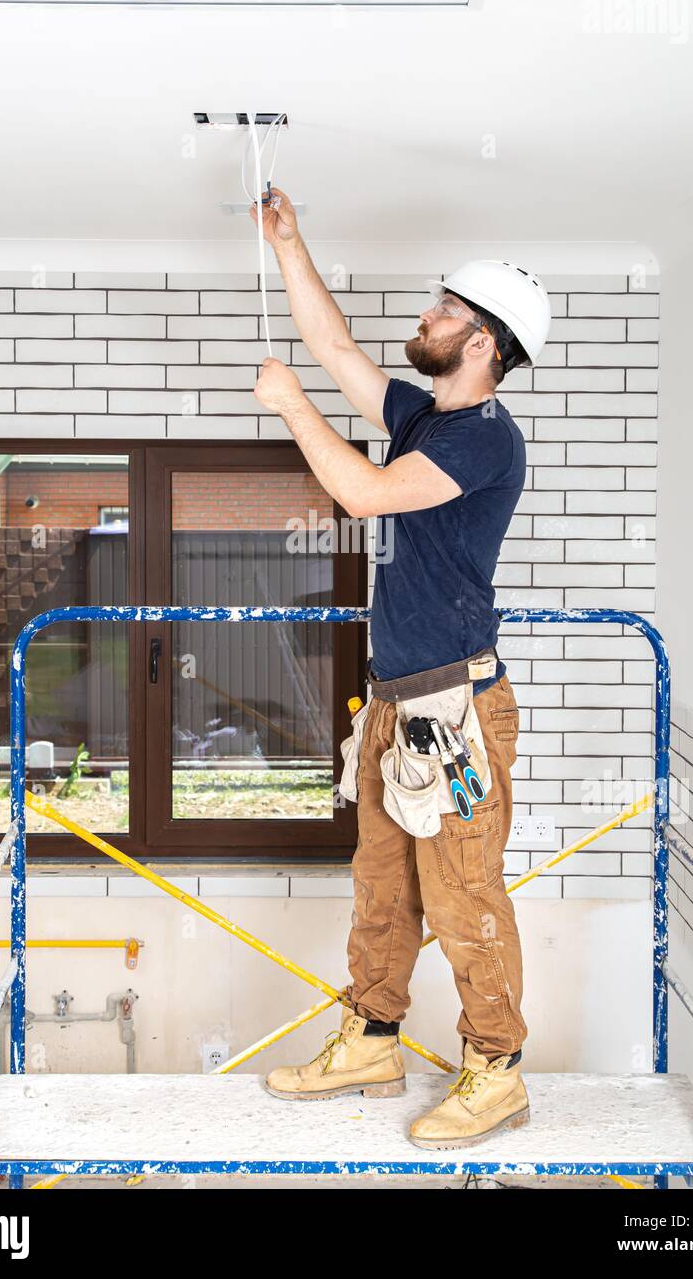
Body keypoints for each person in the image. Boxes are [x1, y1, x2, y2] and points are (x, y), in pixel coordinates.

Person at [250, 187, 551, 1149]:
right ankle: (374, 1038)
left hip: (457, 708)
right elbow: (336, 349)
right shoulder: (426, 414)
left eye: (444, 310)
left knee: (463, 897)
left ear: (482, 343)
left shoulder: (485, 440)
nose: (425, 315)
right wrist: (293, 246)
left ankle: (496, 1071)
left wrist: (292, 409)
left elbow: (370, 496)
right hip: (395, 705)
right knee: (383, 887)